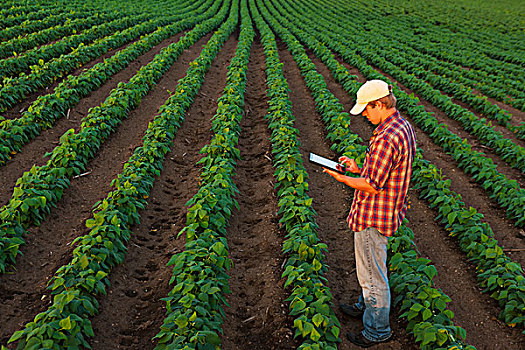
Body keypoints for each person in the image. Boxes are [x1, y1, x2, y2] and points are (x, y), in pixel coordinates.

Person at [322, 79, 416, 348]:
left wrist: (341, 178)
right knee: (372, 266)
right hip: (387, 210)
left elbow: (372, 184)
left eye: (366, 109)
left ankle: (377, 330)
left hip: (373, 215)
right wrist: (355, 168)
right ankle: (365, 305)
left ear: (379, 104)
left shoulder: (387, 137)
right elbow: (380, 172)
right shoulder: (401, 126)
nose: (364, 114)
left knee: (372, 275)